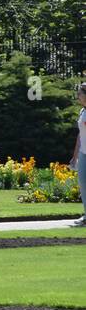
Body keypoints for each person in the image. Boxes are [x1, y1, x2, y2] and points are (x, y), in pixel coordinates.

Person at [70, 82, 86, 228]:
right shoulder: (82, 112)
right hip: (83, 153)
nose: (78, 96)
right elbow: (80, 136)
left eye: (80, 94)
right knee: (83, 183)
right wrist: (75, 156)